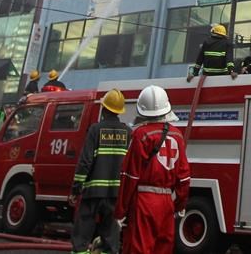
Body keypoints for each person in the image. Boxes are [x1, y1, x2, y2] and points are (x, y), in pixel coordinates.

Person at [115, 85, 190, 254]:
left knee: (139, 247)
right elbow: (184, 177)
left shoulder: (141, 134)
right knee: (163, 248)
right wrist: (180, 204)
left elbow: (130, 175)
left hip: (144, 201)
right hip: (166, 203)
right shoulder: (177, 135)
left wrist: (120, 211)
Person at [70, 89, 130, 254]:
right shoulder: (128, 132)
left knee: (82, 234)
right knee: (110, 239)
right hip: (115, 194)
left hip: (93, 193)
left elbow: (85, 162)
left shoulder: (95, 130)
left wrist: (76, 188)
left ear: (104, 109)